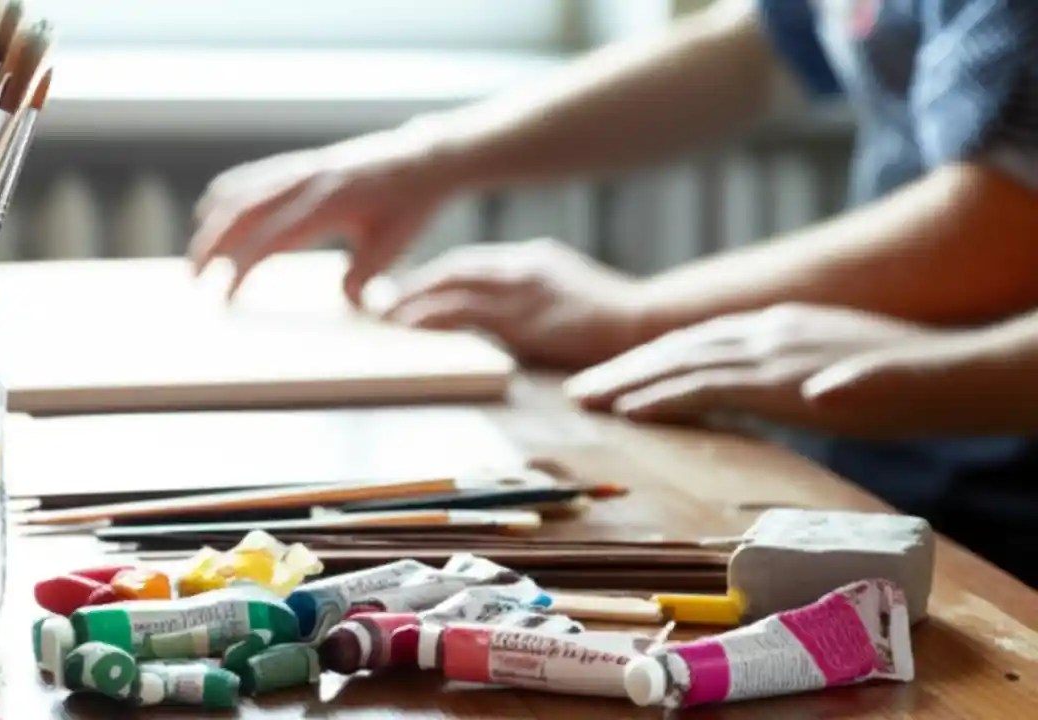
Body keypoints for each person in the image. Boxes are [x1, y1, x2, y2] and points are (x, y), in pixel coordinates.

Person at [188, 0, 1038, 586]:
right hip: (897, 471)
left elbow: (1012, 211)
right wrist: (433, 155)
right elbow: (763, 44)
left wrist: (634, 317)